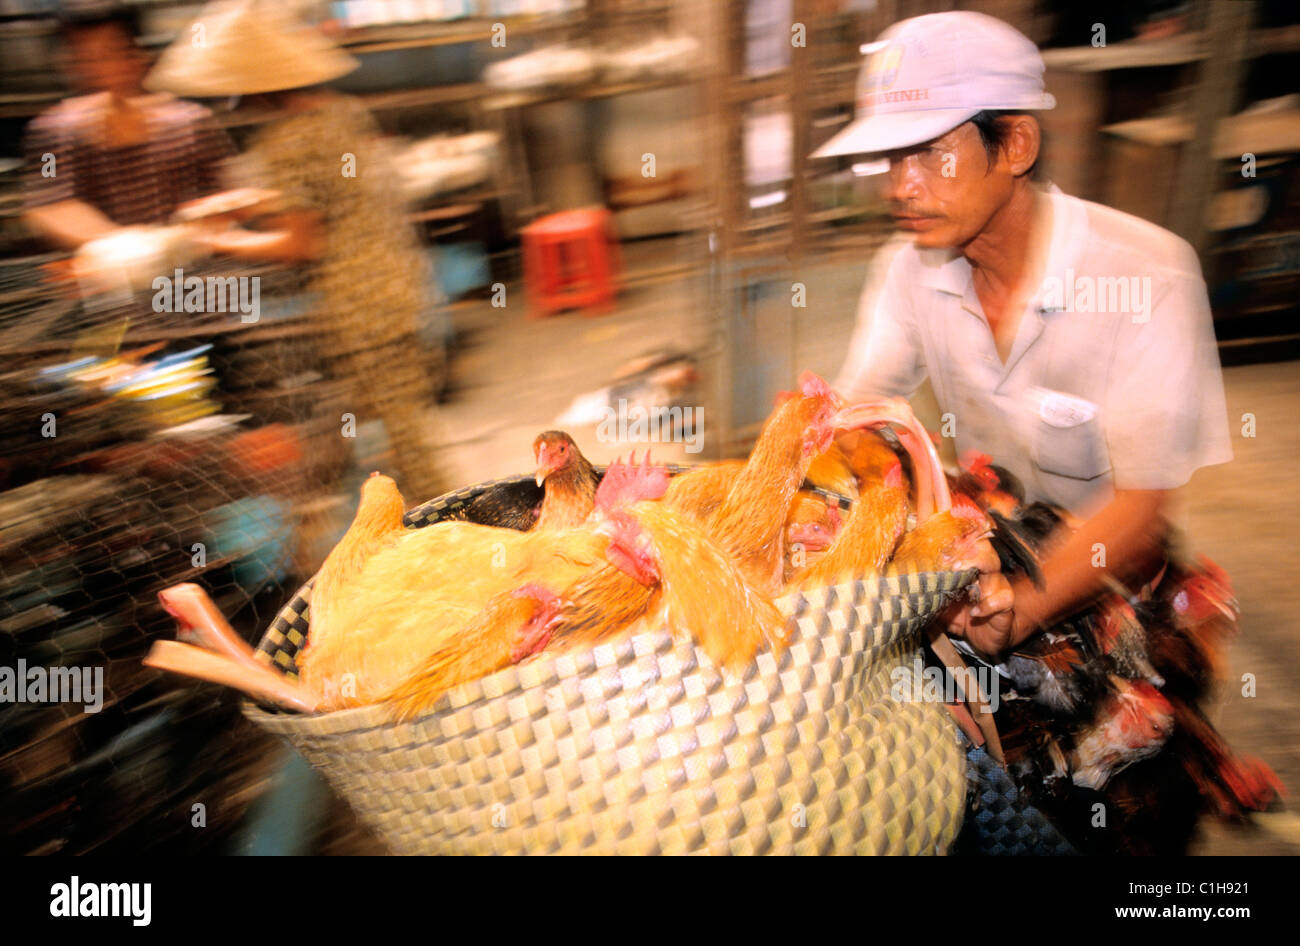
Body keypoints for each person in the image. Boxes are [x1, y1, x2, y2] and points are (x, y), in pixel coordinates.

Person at [815, 12, 1231, 658]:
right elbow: (858, 411)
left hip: (1104, 574)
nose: (902, 186)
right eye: (892, 158)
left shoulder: (1148, 274)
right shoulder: (907, 269)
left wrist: (1023, 608)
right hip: (989, 546)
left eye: (931, 153)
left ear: (1015, 146)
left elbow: (1142, 505)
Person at [144, 0, 449, 504]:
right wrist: (248, 204)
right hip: (398, 283)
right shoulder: (340, 110)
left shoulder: (283, 142)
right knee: (383, 426)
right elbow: (329, 193)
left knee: (408, 444)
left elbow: (301, 241)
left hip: (358, 307)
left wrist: (216, 238)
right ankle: (374, 524)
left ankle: (455, 531)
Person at [22, 1, 234, 249]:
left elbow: (227, 191)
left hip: (192, 268)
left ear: (137, 56)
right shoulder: (54, 132)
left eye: (108, 54)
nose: (97, 70)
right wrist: (128, 246)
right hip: (107, 273)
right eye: (83, 58)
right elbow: (51, 206)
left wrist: (205, 224)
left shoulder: (190, 122)